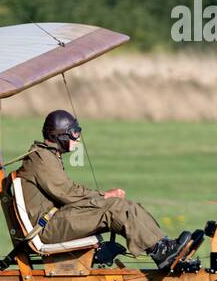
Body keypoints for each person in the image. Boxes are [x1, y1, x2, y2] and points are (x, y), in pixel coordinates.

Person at [15, 110, 199, 271]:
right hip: (47, 228)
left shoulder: (47, 155)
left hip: (53, 220)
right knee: (113, 207)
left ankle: (165, 246)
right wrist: (103, 196)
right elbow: (67, 193)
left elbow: (66, 193)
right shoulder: (41, 158)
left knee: (123, 205)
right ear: (61, 136)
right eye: (74, 132)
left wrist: (102, 198)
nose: (78, 137)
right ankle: (162, 252)